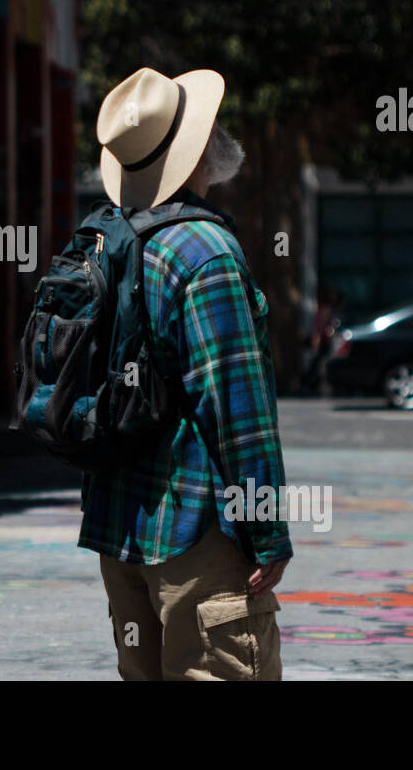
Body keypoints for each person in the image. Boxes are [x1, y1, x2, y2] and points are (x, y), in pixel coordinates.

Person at [80, 66, 293, 680]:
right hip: (195, 538)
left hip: (118, 531)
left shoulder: (105, 241)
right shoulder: (205, 253)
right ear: (197, 147)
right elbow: (236, 409)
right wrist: (267, 532)